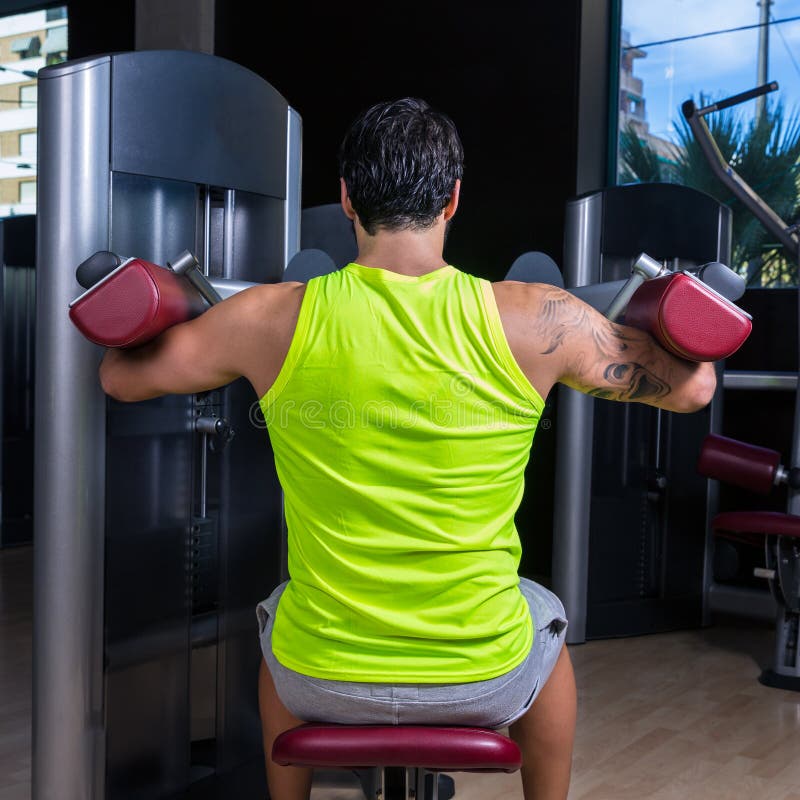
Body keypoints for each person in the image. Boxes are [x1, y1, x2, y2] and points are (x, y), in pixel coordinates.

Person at [99, 97, 717, 800]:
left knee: (281, 616)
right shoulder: (535, 317)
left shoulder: (267, 317)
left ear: (346, 198)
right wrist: (677, 320)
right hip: (481, 676)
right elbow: (693, 389)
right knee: (544, 617)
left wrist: (149, 308)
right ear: (452, 199)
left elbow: (119, 378)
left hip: (320, 677)